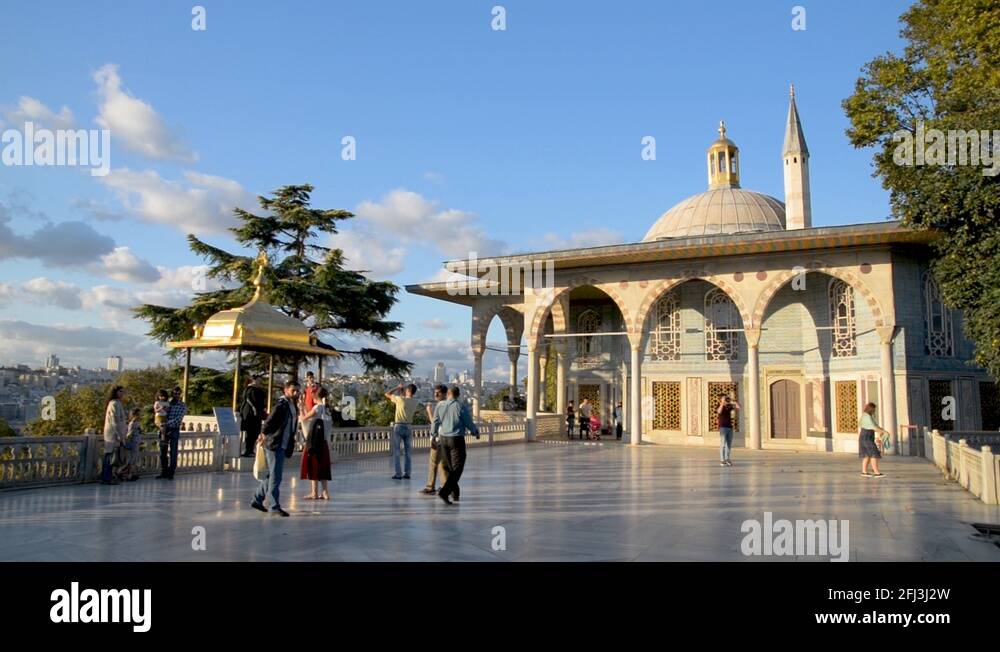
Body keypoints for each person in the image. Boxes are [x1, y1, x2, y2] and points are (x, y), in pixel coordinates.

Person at [251, 379, 300, 517]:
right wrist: (263, 434)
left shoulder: (292, 406)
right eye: (293, 390)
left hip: (282, 445)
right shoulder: (281, 405)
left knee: (272, 475)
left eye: (297, 390)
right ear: (286, 390)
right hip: (274, 444)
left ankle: (257, 499)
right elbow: (269, 422)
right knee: (276, 476)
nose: (296, 393)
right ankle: (274, 505)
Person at [431, 386, 479, 505]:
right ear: (458, 395)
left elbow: (435, 422)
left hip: (442, 439)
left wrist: (433, 436)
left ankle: (455, 493)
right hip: (456, 439)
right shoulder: (460, 406)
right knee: (458, 468)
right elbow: (468, 422)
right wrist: (475, 432)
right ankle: (444, 492)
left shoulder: (440, 405)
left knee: (449, 467)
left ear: (447, 394)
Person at [300, 386, 331, 500]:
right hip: (323, 441)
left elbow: (304, 418)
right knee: (323, 466)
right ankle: (325, 492)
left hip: (314, 441)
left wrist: (301, 409)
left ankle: (314, 492)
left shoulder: (317, 408)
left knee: (313, 465)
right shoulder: (325, 408)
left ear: (315, 396)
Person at [385, 382, 420, 480]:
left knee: (397, 451)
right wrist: (403, 392)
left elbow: (387, 394)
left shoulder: (400, 399)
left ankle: (398, 474)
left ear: (407, 390)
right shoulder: (415, 401)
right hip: (408, 427)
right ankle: (407, 473)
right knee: (408, 452)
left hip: (399, 426)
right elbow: (406, 400)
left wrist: (398, 387)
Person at [421, 384, 449, 495]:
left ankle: (430, 486)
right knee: (442, 463)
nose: (436, 394)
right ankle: (444, 486)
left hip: (438, 438)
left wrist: (429, 412)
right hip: (445, 437)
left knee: (433, 462)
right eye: (435, 392)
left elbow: (435, 423)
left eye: (438, 393)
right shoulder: (448, 405)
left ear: (444, 394)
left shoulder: (440, 406)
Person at [156, 386, 187, 480]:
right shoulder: (167, 403)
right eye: (175, 393)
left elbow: (179, 419)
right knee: (162, 451)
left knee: (173, 451)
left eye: (178, 393)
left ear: (180, 394)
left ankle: (171, 472)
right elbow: (161, 414)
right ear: (172, 393)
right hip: (164, 429)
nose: (176, 395)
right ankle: (164, 471)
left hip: (174, 429)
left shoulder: (182, 405)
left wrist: (166, 423)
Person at [101, 386, 127, 485]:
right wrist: (119, 434)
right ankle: (106, 477)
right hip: (112, 434)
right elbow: (114, 420)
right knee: (110, 456)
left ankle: (108, 477)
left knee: (113, 457)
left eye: (123, 392)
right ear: (115, 392)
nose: (122, 394)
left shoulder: (118, 403)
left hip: (116, 433)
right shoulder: (114, 403)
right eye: (120, 392)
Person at [859, 402, 889, 478]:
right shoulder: (867, 417)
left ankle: (864, 471)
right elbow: (874, 427)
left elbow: (876, 426)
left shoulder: (866, 416)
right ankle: (876, 472)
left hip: (865, 437)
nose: (874, 411)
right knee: (873, 454)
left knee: (867, 455)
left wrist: (882, 430)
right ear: (871, 409)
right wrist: (884, 432)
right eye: (874, 409)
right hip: (866, 437)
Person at [239, 376, 266, 457]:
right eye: (258, 380)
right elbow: (254, 401)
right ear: (253, 380)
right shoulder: (250, 390)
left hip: (255, 413)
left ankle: (250, 450)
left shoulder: (256, 390)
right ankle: (248, 450)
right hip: (251, 414)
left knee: (254, 433)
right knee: (250, 433)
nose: (259, 382)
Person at [117, 407, 142, 481]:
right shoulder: (132, 423)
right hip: (133, 442)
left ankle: (129, 474)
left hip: (136, 442)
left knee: (133, 459)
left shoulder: (137, 423)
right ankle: (124, 473)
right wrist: (124, 440)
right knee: (132, 459)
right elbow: (129, 433)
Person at [717, 395, 740, 467]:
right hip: (723, 427)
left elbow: (738, 408)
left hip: (729, 427)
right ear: (721, 400)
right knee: (723, 444)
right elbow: (719, 411)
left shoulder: (729, 406)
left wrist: (734, 401)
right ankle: (722, 460)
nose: (726, 399)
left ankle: (727, 459)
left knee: (728, 445)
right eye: (724, 398)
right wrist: (722, 403)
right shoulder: (719, 406)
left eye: (726, 398)